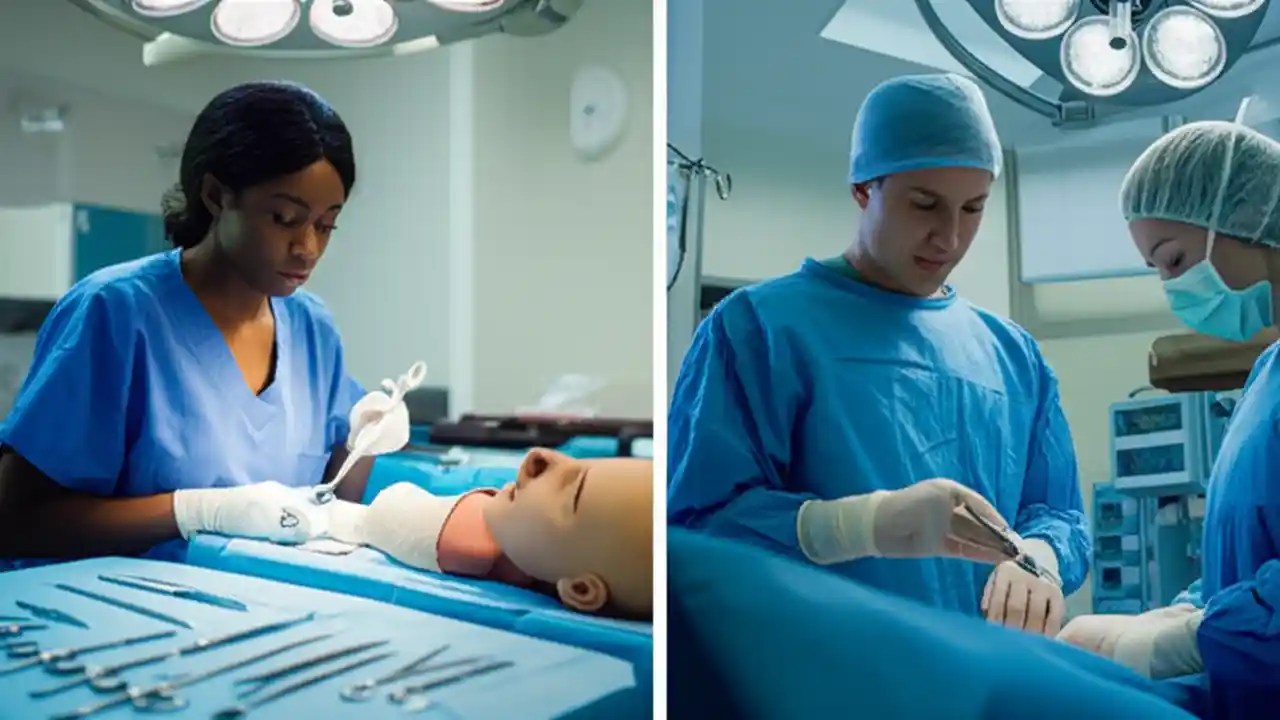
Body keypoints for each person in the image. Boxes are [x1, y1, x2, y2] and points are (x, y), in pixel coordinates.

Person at [667, 73, 1090, 637]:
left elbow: (1059, 514)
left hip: (982, 682)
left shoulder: (1014, 357)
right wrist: (860, 526)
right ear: (863, 189)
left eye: (973, 208)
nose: (950, 237)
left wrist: (1042, 557)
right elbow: (696, 526)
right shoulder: (757, 330)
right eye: (925, 205)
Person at [0, 81, 370, 565]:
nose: (308, 248)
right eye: (283, 218)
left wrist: (364, 439)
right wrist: (196, 510)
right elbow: (16, 522)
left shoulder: (313, 329)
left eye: (326, 225)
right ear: (216, 195)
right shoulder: (114, 313)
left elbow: (330, 508)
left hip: (261, 610)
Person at [1059, 119, 1280, 712]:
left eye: (1175, 258)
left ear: (1251, 218)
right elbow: (1248, 558)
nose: (1173, 288)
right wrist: (1188, 609)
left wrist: (1184, 642)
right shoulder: (1267, 375)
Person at [323, 447, 653, 619]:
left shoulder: (472, 541)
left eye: (571, 492)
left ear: (580, 590)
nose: (540, 456)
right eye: (576, 462)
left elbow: (384, 515)